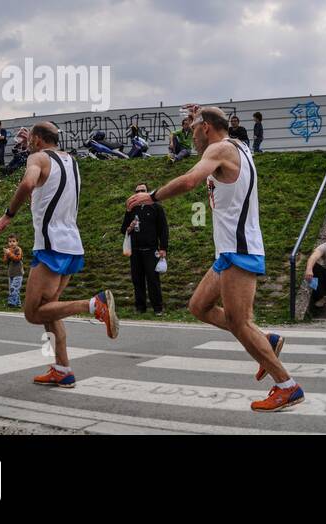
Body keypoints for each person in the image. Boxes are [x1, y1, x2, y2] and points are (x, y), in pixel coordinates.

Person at [126, 105, 296, 412]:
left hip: (238, 248)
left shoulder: (219, 149)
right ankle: (266, 341)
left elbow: (191, 180)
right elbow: (213, 125)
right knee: (198, 306)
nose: (189, 134)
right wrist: (200, 111)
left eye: (193, 128)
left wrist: (151, 196)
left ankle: (286, 385)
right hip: (228, 249)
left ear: (206, 128)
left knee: (239, 322)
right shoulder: (237, 146)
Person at [0, 122, 120, 388]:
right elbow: (48, 190)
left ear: (38, 140)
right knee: (51, 312)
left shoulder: (37, 157)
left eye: (30, 140)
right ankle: (63, 370)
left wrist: (8, 215)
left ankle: (93, 305)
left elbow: (28, 182)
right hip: (73, 244)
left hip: (51, 245)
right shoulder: (70, 161)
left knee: (33, 312)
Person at [122, 182, 170, 315]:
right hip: (135, 251)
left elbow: (163, 229)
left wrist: (163, 248)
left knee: (153, 280)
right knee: (137, 280)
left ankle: (158, 308)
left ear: (147, 192)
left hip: (151, 250)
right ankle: (140, 307)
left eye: (142, 190)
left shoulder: (156, 208)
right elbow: (123, 229)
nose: (139, 193)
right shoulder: (131, 209)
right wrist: (129, 227)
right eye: (137, 191)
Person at [4, 235, 24, 308]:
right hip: (11, 273)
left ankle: (11, 303)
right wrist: (6, 254)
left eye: (13, 241)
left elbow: (17, 259)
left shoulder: (18, 249)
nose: (11, 243)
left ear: (17, 242)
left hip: (18, 273)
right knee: (13, 289)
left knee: (14, 288)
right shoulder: (8, 250)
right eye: (10, 241)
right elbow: (5, 261)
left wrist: (9, 253)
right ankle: (18, 304)